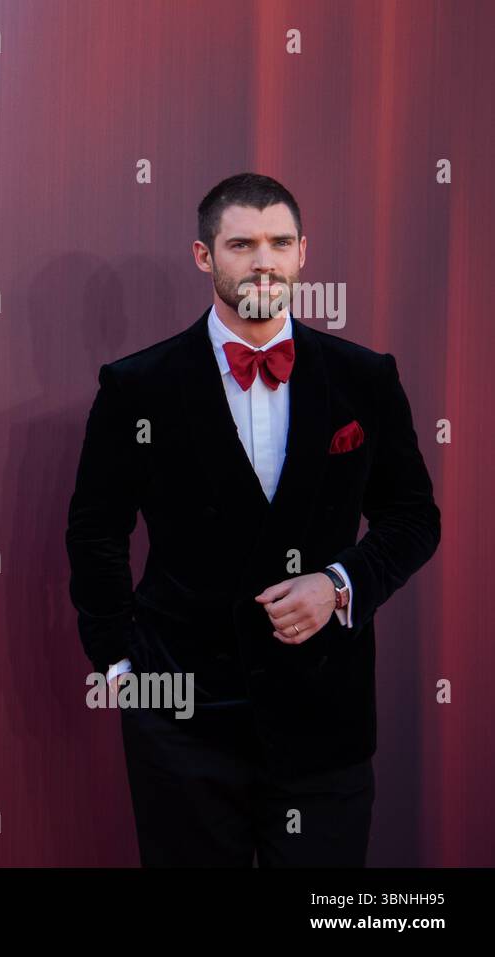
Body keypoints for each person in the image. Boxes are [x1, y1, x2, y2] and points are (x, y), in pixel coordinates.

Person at [65, 172, 441, 866]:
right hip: (181, 715)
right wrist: (120, 665)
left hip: (324, 714)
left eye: (278, 242)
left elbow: (414, 517)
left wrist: (336, 583)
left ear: (303, 253)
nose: (263, 260)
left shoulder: (365, 378)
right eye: (242, 243)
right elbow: (95, 532)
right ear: (205, 256)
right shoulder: (136, 386)